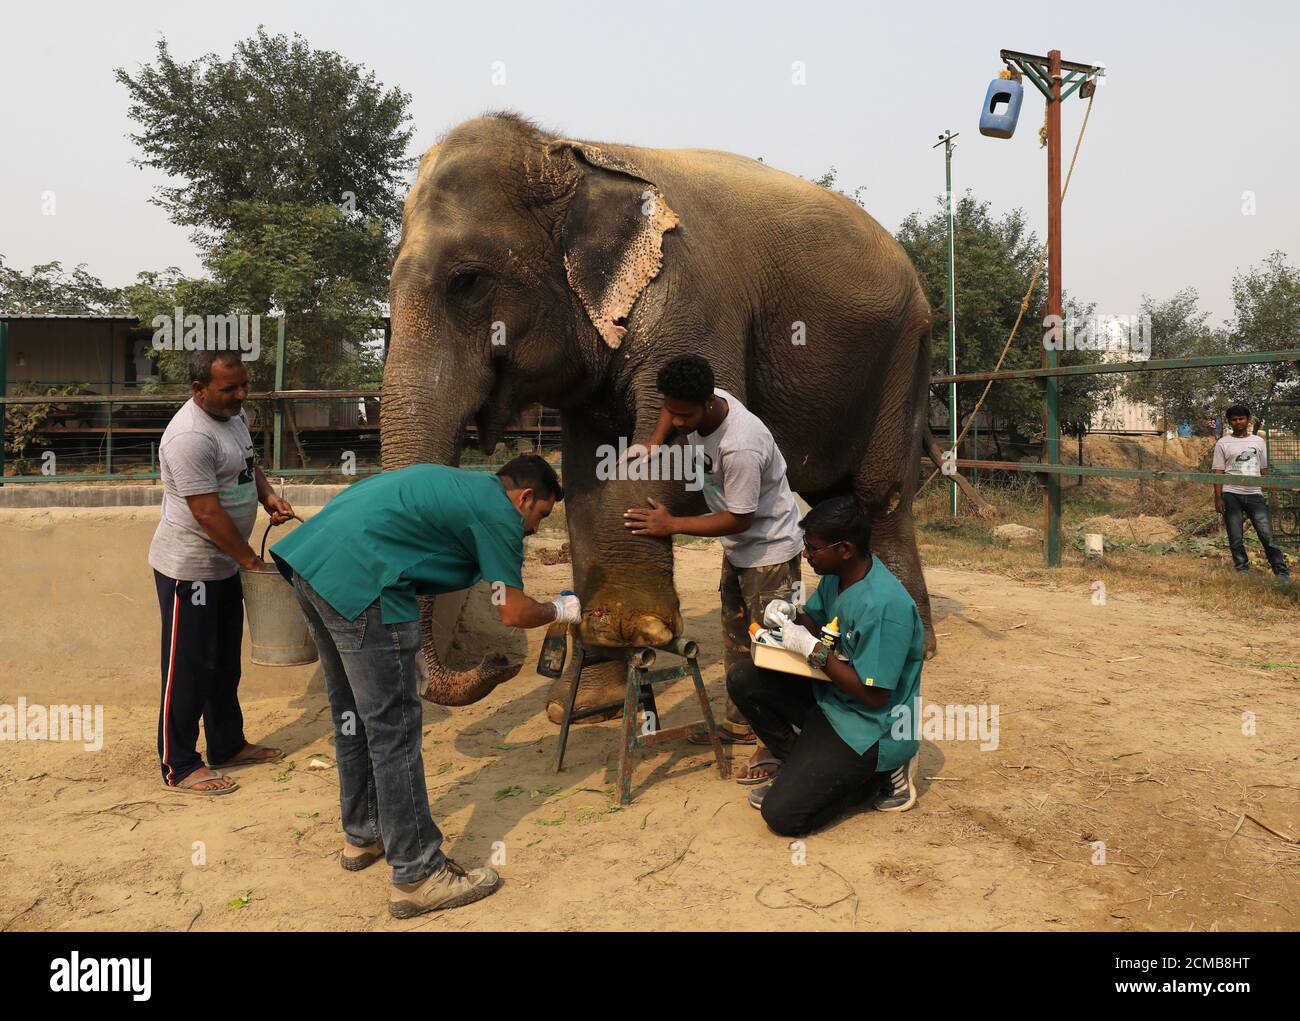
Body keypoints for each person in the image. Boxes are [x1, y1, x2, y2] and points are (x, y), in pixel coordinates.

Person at [269, 455, 580, 918]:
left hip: (313, 566)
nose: (533, 530)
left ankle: (364, 833)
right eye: (540, 516)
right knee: (394, 729)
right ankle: (418, 874)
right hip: (366, 583)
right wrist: (559, 609)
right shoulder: (498, 513)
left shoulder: (462, 486)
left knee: (353, 713)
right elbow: (511, 610)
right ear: (525, 497)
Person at [623, 355, 803, 786]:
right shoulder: (695, 406)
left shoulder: (740, 444)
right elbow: (670, 410)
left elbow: (740, 517)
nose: (678, 422)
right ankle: (741, 723)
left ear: (708, 402)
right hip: (740, 551)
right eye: (674, 411)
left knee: (775, 651)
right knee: (738, 640)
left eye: (686, 415)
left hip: (770, 553)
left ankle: (776, 743)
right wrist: (653, 442)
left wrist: (672, 525)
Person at [727, 495, 924, 835]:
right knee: (744, 678)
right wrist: (791, 615)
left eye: (813, 548)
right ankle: (800, 769)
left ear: (844, 549)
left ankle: (877, 775)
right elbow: (820, 623)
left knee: (782, 816)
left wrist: (814, 651)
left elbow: (874, 696)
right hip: (833, 697)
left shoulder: (884, 606)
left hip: (871, 726)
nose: (806, 554)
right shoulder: (839, 575)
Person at [148, 351, 294, 795]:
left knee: (223, 662)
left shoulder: (233, 416)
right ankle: (179, 763)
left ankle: (227, 744)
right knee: (188, 665)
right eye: (229, 389)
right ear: (199, 390)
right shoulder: (188, 437)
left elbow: (249, 465)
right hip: (189, 569)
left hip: (226, 564)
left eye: (243, 385)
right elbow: (207, 513)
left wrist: (268, 497)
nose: (240, 395)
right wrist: (251, 561)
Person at [1212, 404, 1290, 580]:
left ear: (1248, 420)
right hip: (1231, 493)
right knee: (1235, 535)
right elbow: (1218, 471)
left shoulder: (1258, 441)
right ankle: (1242, 571)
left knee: (1266, 533)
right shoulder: (1223, 443)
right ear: (1230, 422)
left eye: (1241, 418)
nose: (1238, 422)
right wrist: (1218, 497)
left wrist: (1272, 493)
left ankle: (1282, 572)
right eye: (1234, 419)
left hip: (1255, 494)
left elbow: (1264, 470)